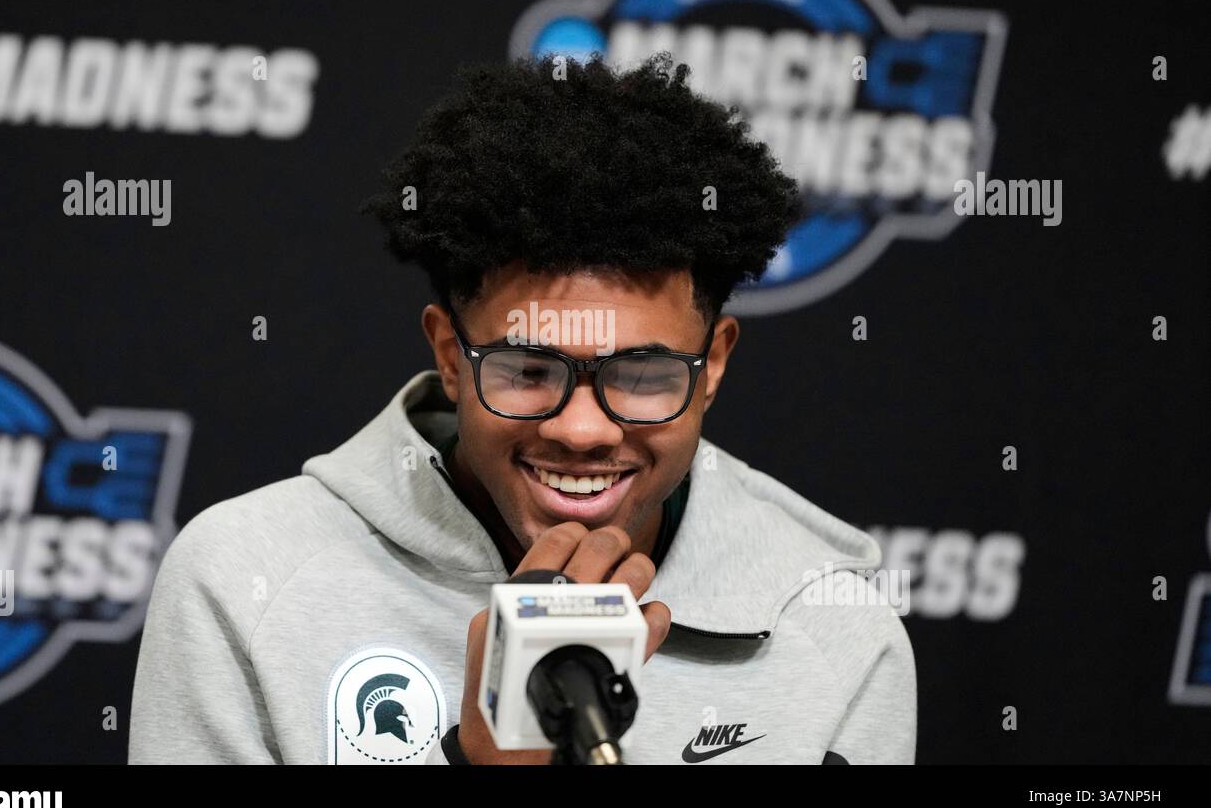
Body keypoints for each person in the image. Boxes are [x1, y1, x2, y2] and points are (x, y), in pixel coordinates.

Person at [127, 52, 917, 765]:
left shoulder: (833, 624)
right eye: (529, 369)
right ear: (449, 355)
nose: (581, 429)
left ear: (713, 365)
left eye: (641, 373)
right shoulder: (243, 581)